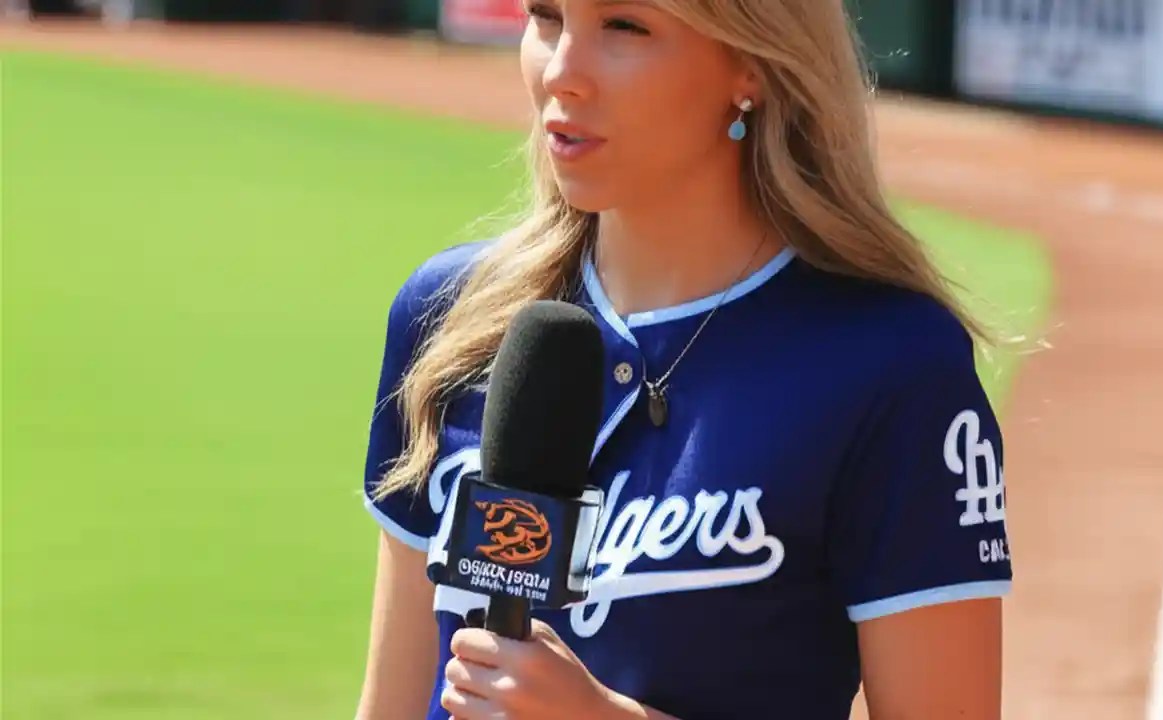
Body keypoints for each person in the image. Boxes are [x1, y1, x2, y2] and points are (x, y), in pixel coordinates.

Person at [355, 0, 1013, 718]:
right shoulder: (452, 316)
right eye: (546, 16)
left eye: (625, 27)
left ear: (752, 66)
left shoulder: (891, 365)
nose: (562, 74)